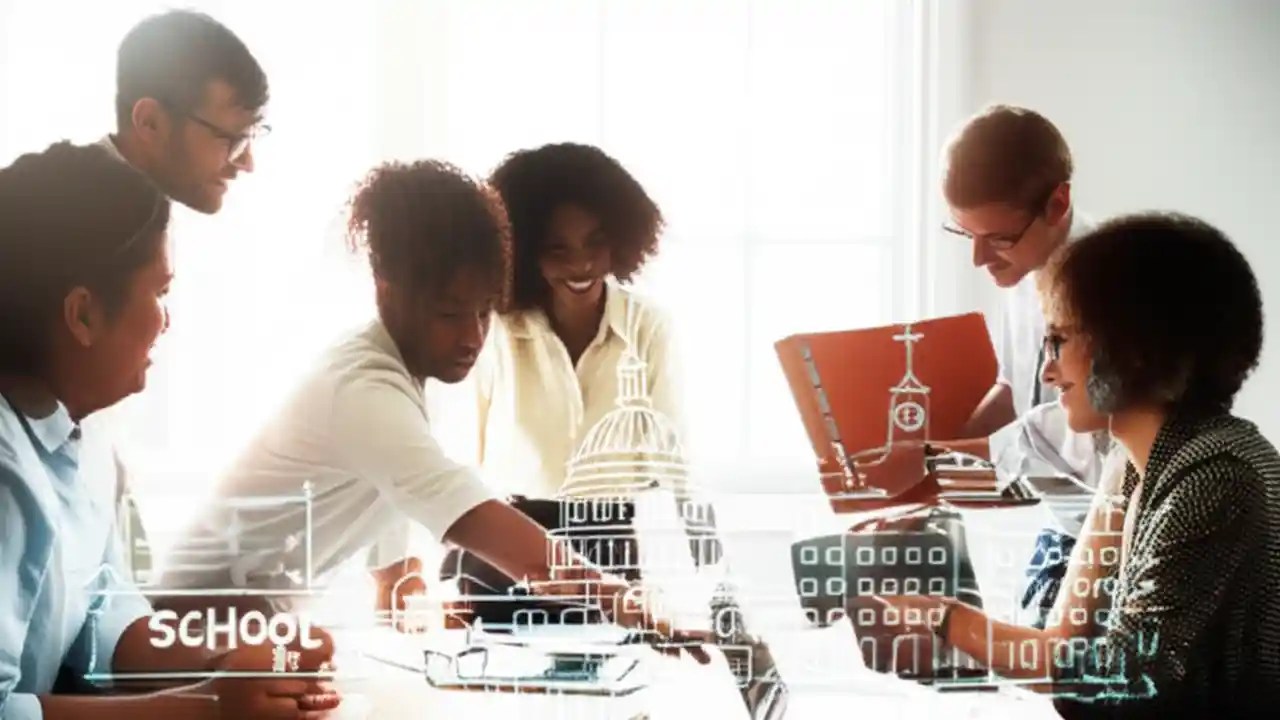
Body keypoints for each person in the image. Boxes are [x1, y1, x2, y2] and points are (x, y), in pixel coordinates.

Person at [156, 159, 710, 657]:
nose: (472, 337)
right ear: (386, 290)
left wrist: (407, 588)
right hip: (186, 635)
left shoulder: (406, 381)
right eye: (449, 314)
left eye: (484, 311)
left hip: (249, 628)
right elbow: (490, 528)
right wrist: (634, 605)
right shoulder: (364, 390)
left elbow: (392, 541)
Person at [877, 212, 1280, 716]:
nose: (1047, 371)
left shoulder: (1218, 477)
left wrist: (946, 620)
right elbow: (1062, 647)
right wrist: (929, 613)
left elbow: (1120, 682)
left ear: (1131, 349)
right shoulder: (1130, 463)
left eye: (1060, 340)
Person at [0, 142, 338, 719]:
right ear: (83, 314)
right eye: (159, 292)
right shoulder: (8, 474)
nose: (167, 320)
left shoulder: (87, 437)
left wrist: (229, 663)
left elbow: (103, 617)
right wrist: (207, 707)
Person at [927, 104, 1109, 626]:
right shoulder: (1026, 268)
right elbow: (1012, 388)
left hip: (1109, 539)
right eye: (965, 234)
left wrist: (944, 465)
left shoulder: (1106, 289)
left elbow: (1085, 442)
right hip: (1060, 528)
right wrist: (934, 461)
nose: (979, 259)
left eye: (998, 239)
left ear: (1058, 203)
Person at [477, 141, 685, 499]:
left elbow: (670, 467)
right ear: (526, 251)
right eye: (557, 248)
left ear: (619, 240)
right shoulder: (494, 331)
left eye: (595, 242)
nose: (581, 264)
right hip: (511, 527)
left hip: (615, 528)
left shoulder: (649, 329)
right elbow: (461, 460)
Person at [100, 9, 269, 214]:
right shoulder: (87, 222)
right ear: (150, 122)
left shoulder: (137, 211)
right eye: (232, 140)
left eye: (248, 137)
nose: (247, 164)